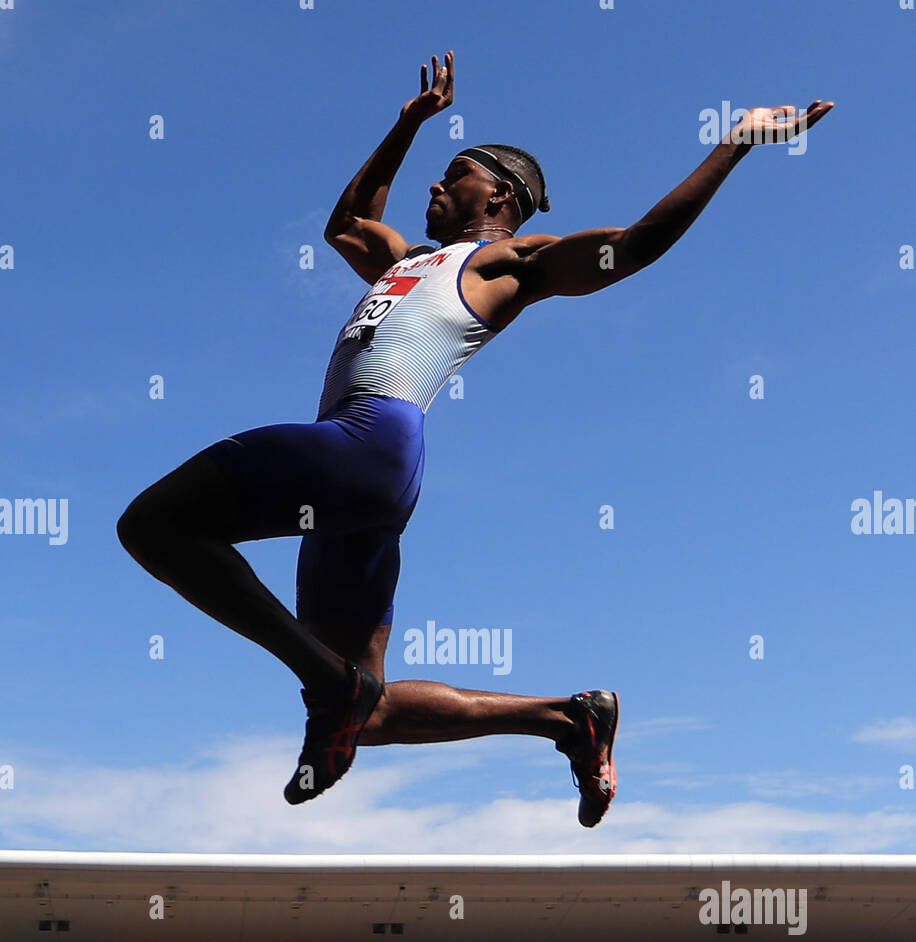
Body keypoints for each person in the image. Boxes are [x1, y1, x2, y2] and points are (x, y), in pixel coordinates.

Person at [117, 52, 832, 828]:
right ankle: (567, 717)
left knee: (153, 523)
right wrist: (407, 123)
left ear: (496, 193)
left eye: (450, 171)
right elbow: (345, 224)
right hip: (358, 491)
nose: (432, 183)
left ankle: (328, 686)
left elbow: (635, 245)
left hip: (367, 442)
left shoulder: (508, 261)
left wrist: (737, 141)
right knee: (373, 712)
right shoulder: (410, 260)